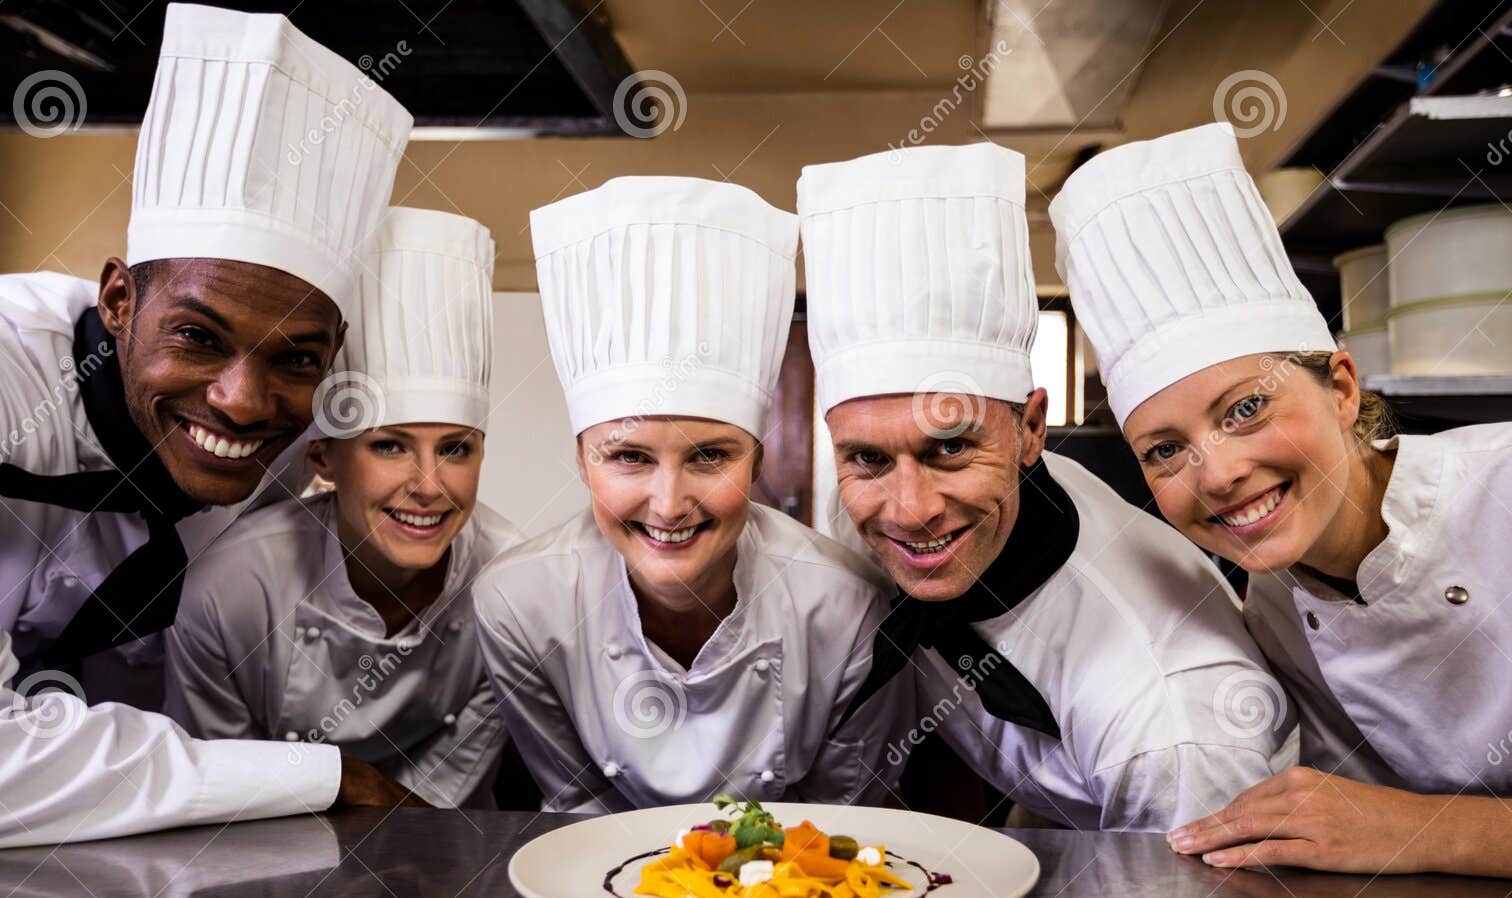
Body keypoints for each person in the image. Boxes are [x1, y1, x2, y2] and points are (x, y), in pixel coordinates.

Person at [1053, 121, 1512, 884]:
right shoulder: (1275, 610)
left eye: (1244, 409)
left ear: (1342, 388)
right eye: (1165, 449)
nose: (1216, 475)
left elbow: (1392, 832)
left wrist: (1421, 830)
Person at [0, 3, 415, 849]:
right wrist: (320, 779)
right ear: (120, 300)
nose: (242, 402)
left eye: (295, 358)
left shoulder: (308, 437)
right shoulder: (10, 380)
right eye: (197, 336)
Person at [799, 142, 1295, 831]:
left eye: (949, 448)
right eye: (868, 459)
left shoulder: (1170, 722)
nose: (910, 510)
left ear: (1030, 429)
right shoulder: (888, 514)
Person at [474, 176, 909, 811]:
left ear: (757, 460)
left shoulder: (850, 606)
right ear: (582, 459)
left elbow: (839, 821)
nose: (669, 503)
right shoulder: (520, 601)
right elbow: (574, 809)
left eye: (709, 457)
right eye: (628, 457)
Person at [165, 208, 522, 808]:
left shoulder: (514, 586)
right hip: (263, 855)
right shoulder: (230, 589)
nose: (429, 486)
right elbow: (220, 782)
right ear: (325, 460)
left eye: (455, 448)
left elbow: (447, 797)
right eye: (390, 446)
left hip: (444, 855)